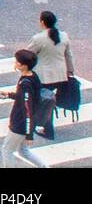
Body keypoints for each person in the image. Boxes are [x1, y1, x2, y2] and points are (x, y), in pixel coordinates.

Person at [0, 50, 45, 167]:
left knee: (6, 150)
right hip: (27, 124)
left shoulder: (25, 83)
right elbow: (27, 98)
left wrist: (29, 134)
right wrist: (8, 95)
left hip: (20, 124)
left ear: (24, 65)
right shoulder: (32, 76)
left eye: (17, 61)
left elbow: (27, 109)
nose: (15, 63)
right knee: (24, 151)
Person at [29, 11, 74, 141]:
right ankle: (43, 126)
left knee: (42, 101)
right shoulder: (64, 36)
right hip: (60, 76)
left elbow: (29, 54)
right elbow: (68, 55)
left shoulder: (38, 38)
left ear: (42, 22)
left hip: (43, 76)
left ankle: (46, 129)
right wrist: (70, 71)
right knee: (48, 100)